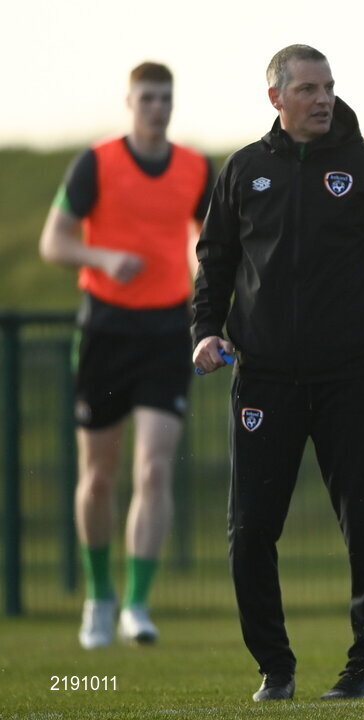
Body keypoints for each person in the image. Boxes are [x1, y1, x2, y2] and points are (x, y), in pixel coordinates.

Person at [191, 44, 364, 703]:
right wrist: (205, 331)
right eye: (308, 88)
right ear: (276, 97)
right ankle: (275, 668)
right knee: (251, 530)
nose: (323, 98)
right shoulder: (244, 170)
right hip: (264, 381)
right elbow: (215, 263)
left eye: (329, 86)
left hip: (351, 379)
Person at [38, 62, 213, 649]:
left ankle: (137, 604)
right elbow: (53, 241)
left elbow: (206, 240)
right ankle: (99, 597)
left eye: (166, 97)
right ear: (129, 101)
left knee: (155, 468)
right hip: (106, 332)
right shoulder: (97, 162)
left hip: (166, 331)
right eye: (148, 98)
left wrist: (201, 267)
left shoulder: (194, 168)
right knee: (99, 476)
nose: (157, 107)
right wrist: (103, 258)